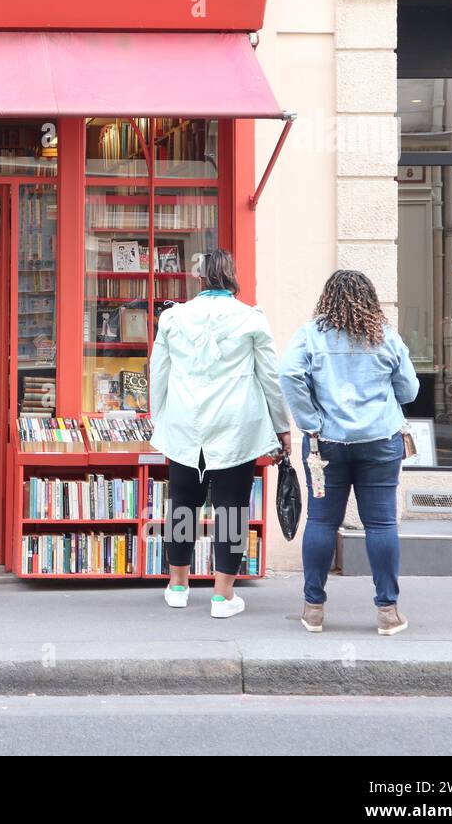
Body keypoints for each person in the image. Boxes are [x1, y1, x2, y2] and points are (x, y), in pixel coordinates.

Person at [150, 249, 290, 619]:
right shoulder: (252, 320)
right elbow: (270, 380)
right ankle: (222, 595)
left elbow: (158, 373)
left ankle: (178, 586)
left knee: (182, 504)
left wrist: (159, 418)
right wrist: (282, 427)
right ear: (232, 277)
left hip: (185, 426)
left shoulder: (173, 318)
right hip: (234, 428)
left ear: (200, 279)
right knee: (231, 510)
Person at [279, 270, 419, 636]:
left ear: (327, 298)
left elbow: (288, 374)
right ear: (370, 299)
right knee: (382, 524)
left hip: (328, 445)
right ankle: (388, 613)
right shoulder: (386, 337)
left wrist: (312, 421)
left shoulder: (311, 334)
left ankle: (313, 610)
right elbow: (409, 392)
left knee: (323, 521)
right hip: (380, 442)